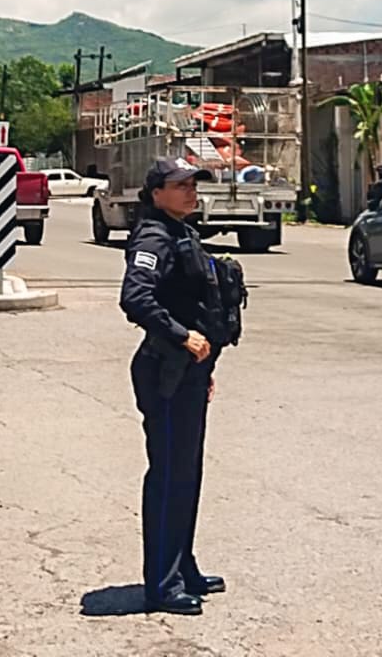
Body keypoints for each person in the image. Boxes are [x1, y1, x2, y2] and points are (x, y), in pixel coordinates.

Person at [119, 157, 236, 616]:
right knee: (169, 476)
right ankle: (162, 585)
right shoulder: (153, 237)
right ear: (156, 194)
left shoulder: (182, 233)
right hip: (164, 373)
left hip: (188, 374)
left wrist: (203, 369)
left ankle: (183, 567)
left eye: (193, 184)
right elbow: (135, 297)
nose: (191, 191)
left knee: (187, 474)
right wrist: (181, 336)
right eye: (180, 184)